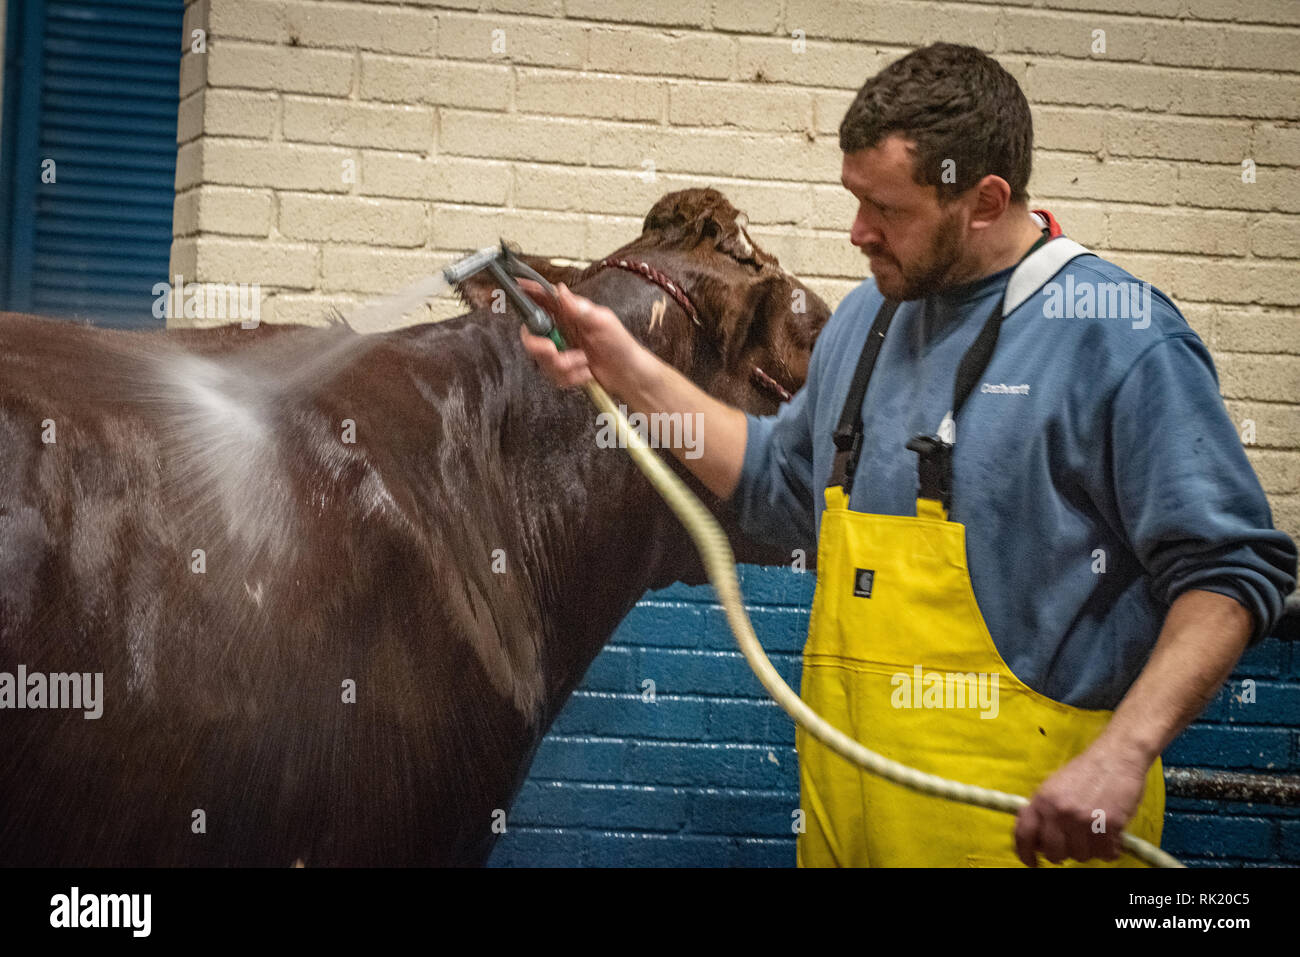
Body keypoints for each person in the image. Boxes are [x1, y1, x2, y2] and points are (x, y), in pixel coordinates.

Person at [518, 42, 1297, 867]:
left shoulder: (1120, 338)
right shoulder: (866, 321)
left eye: (887, 210)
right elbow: (776, 479)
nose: (858, 232)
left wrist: (1125, 751)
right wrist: (629, 370)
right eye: (856, 199)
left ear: (985, 202)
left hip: (1021, 837)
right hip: (844, 830)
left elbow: (1229, 573)